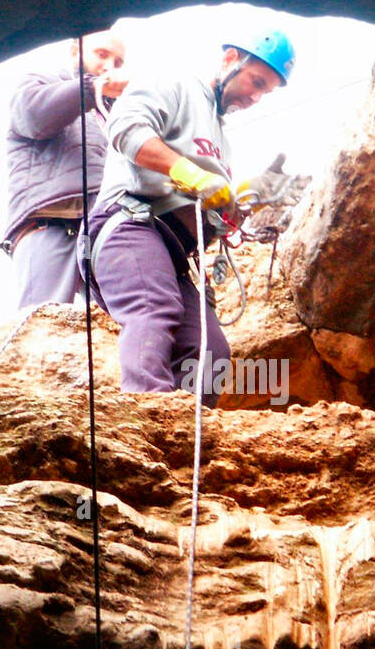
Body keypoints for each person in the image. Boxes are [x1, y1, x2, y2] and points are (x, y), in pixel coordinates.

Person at [84, 29, 294, 407]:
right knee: (153, 308)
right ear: (231, 59)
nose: (256, 95)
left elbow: (208, 214)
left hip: (172, 252)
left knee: (209, 349)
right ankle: (148, 420)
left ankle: (183, 447)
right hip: (130, 223)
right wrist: (185, 171)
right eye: (256, 81)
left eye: (267, 91)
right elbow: (125, 128)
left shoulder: (221, 138)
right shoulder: (174, 82)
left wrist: (247, 198)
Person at [0, 29, 128, 312]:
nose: (109, 66)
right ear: (74, 50)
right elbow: (33, 116)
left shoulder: (117, 112)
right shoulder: (41, 81)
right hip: (49, 222)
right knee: (40, 326)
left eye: (118, 62)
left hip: (104, 227)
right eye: (102, 54)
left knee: (119, 327)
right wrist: (92, 88)